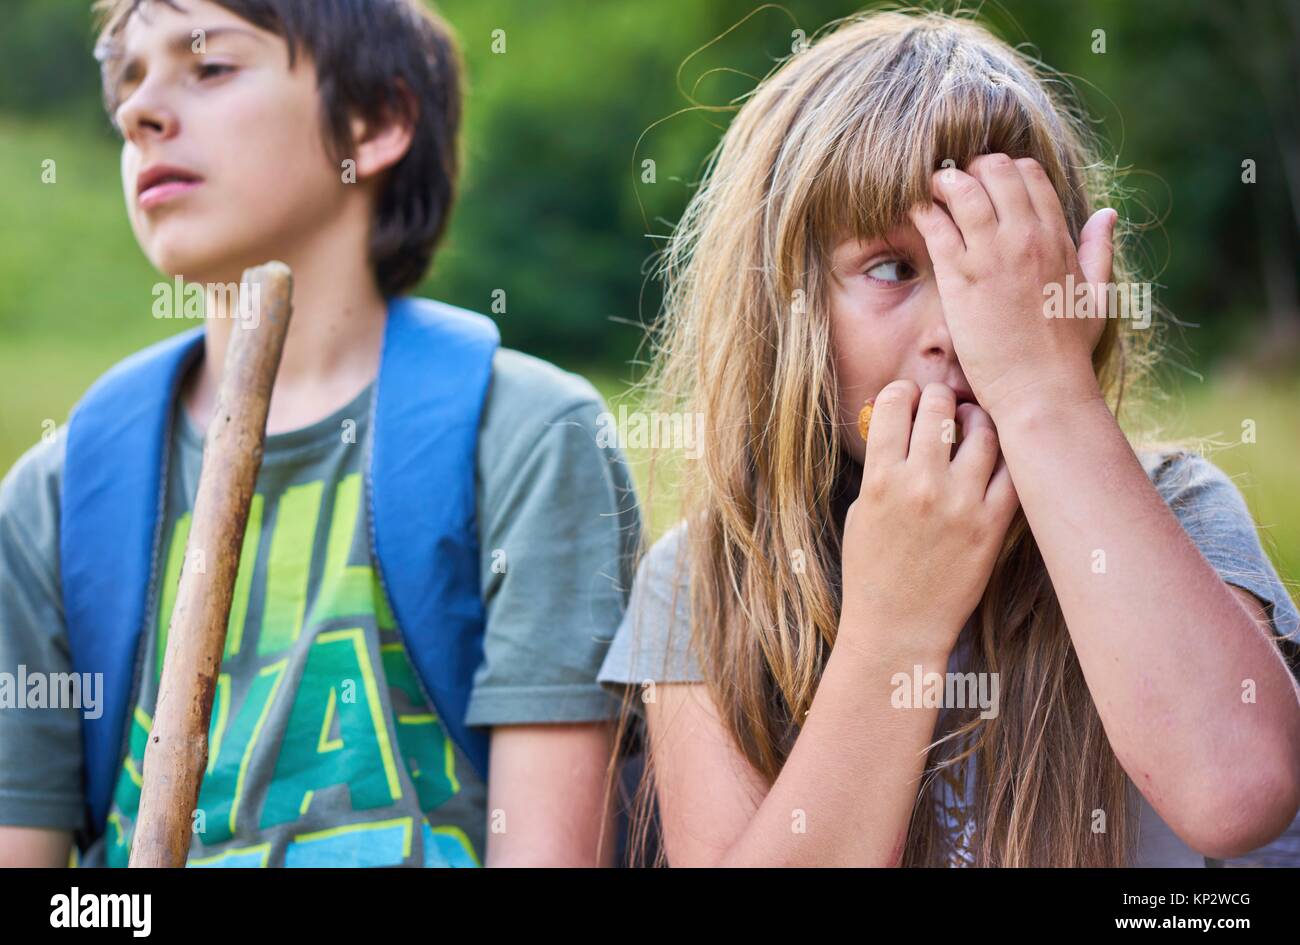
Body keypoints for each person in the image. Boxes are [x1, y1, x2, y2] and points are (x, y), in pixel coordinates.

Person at [598, 9, 1300, 867]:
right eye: (893, 269)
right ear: (786, 313)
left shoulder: (1174, 515)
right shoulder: (707, 583)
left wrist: (1045, 394)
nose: (960, 328)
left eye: (1002, 267)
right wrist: (896, 627)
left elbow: (1240, 795)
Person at [0, 0, 639, 867]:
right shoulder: (54, 499)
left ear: (376, 120)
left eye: (210, 67)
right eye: (129, 79)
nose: (137, 111)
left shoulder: (526, 439)